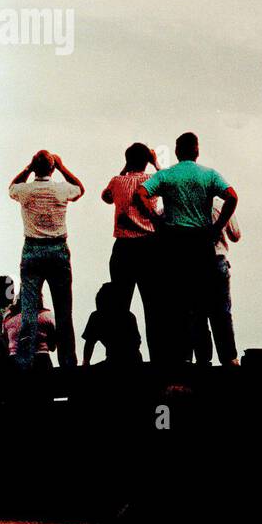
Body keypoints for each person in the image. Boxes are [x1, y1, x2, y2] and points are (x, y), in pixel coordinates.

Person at [138, 133, 238, 366]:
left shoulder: (166, 175)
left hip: (175, 243)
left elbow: (141, 193)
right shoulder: (209, 174)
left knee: (184, 305)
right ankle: (227, 358)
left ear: (177, 151)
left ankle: (190, 357)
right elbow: (232, 197)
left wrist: (155, 218)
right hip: (202, 241)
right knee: (210, 302)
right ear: (196, 151)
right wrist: (218, 226)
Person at [8, 151, 84, 369]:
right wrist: (62, 166)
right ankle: (68, 363)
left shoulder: (25, 191)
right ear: (52, 168)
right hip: (58, 250)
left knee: (29, 311)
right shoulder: (60, 189)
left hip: (32, 249)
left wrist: (28, 168)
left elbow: (11, 187)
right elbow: (80, 189)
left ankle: (24, 363)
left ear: (34, 167)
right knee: (63, 312)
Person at [102, 143, 164, 362]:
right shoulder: (153, 180)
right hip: (149, 247)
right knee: (153, 307)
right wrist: (155, 162)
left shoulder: (117, 181)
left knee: (120, 307)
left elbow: (106, 197)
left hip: (123, 248)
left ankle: (119, 357)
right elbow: (169, 181)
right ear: (146, 160)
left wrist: (124, 169)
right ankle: (158, 358)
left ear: (128, 160)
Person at [199, 202, 242, 367]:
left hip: (193, 262)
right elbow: (235, 235)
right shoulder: (219, 205)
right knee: (222, 313)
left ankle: (203, 359)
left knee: (197, 314)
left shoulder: (185, 205)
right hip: (218, 259)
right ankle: (229, 358)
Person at [81, 282, 142, 367]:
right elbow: (136, 343)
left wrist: (86, 362)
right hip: (132, 361)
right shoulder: (128, 316)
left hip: (118, 360)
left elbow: (89, 343)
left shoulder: (97, 317)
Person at [2, 292, 56, 371]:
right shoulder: (46, 315)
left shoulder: (8, 318)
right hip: (41, 360)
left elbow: (5, 343)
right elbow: (52, 347)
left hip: (14, 361)